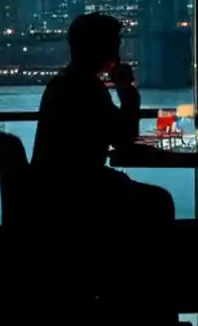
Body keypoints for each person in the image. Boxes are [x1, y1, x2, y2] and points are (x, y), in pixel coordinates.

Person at [31, 12, 174, 222]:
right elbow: (124, 142)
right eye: (114, 44)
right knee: (159, 201)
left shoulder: (64, 83)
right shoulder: (87, 88)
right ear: (98, 47)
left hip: (52, 190)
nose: (118, 52)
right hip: (78, 193)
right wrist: (128, 93)